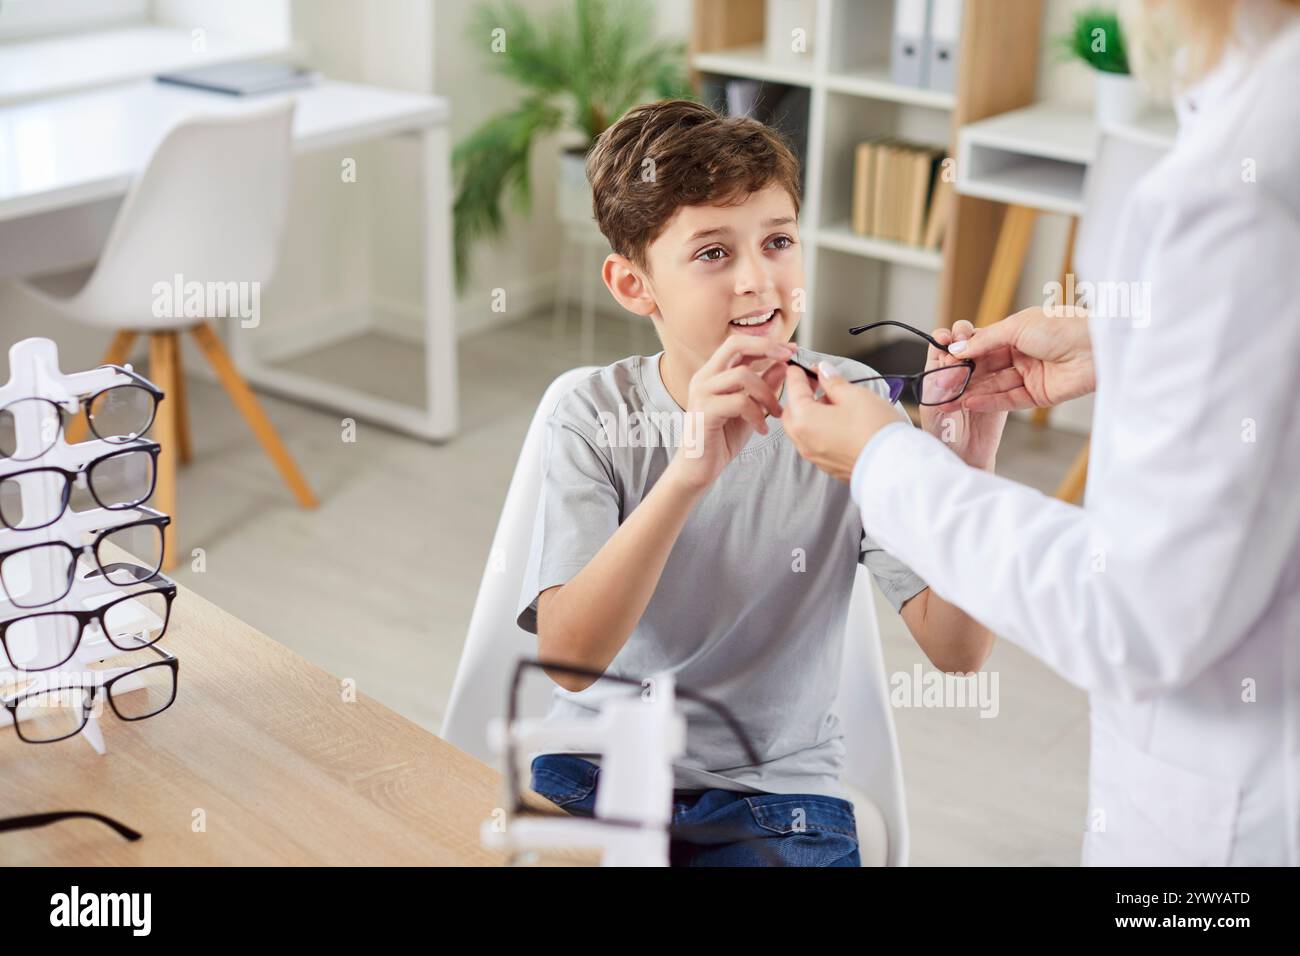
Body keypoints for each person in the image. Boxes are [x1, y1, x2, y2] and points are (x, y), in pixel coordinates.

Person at [781, 0, 1300, 866]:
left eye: (780, 242)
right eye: (713, 252)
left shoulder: (1245, 185)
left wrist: (888, 461)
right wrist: (1122, 346)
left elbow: (1130, 617)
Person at [514, 99, 997, 866]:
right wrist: (688, 473)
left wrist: (965, 470)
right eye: (712, 253)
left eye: (778, 241)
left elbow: (959, 650)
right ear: (634, 285)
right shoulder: (593, 415)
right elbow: (572, 658)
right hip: (598, 764)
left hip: (779, 797)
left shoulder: (857, 412)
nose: (757, 280)